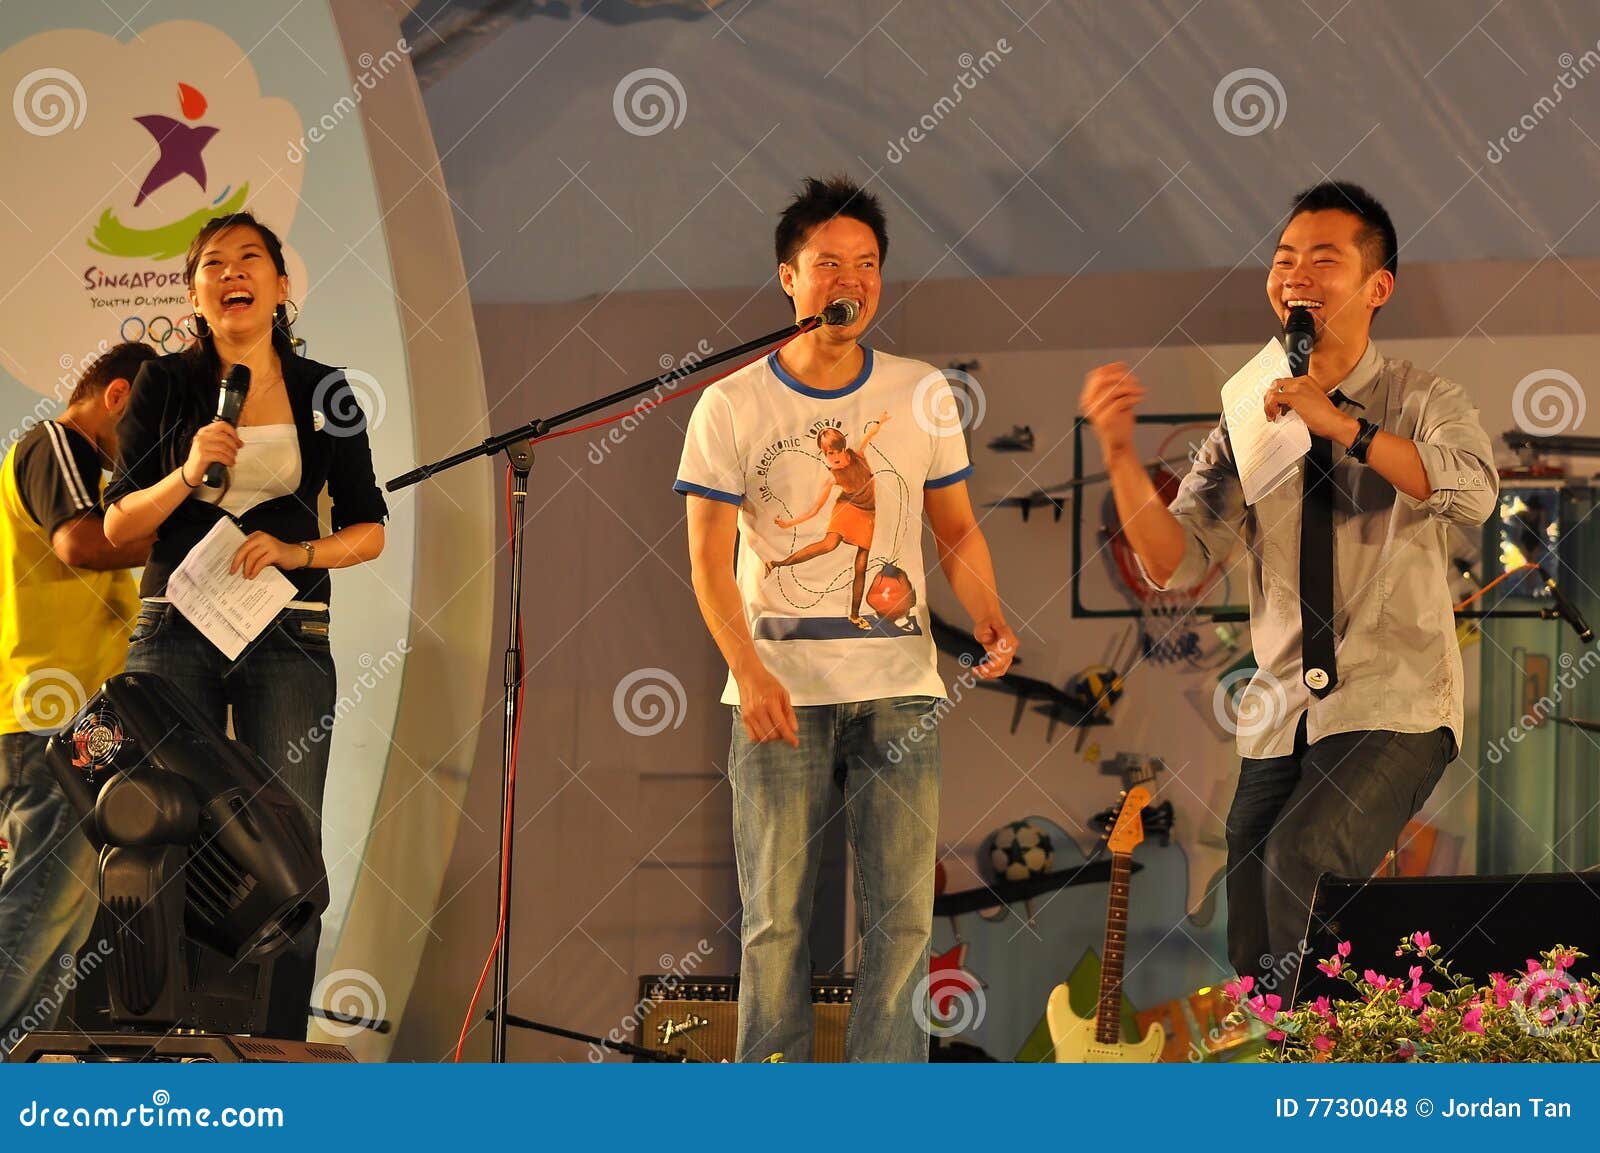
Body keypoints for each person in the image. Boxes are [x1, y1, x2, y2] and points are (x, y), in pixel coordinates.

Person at [1079, 181, 1497, 990]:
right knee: (1251, 924)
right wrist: (1121, 455)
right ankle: (1295, 1056)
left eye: (1323, 259)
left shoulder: (1422, 398)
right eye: (1283, 260)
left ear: (1377, 286)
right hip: (1280, 711)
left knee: (1306, 858)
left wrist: (1346, 426)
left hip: (1394, 700)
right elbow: (1174, 559)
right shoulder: (1249, 411)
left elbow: (1475, 493)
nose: (1296, 275)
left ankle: (1332, 1054)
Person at [675, 176, 1016, 1061]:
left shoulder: (920, 390)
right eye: (829, 263)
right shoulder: (733, 402)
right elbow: (707, 559)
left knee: (901, 919)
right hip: (779, 692)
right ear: (789, 278)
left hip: (899, 689)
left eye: (867, 264)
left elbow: (955, 528)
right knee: (775, 920)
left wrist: (987, 612)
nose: (851, 280)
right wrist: (747, 671)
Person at [102, 211, 388, 1040]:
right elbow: (118, 524)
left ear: (280, 284)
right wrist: (187, 472)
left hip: (287, 632)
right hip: (176, 624)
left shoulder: (326, 389)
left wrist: (299, 551)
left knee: (285, 842)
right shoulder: (164, 384)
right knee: (161, 826)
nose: (233, 273)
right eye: (214, 264)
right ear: (194, 295)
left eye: (250, 258)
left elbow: (369, 529)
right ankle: (164, 1038)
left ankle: (274, 1040)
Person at [1, 341, 157, 1055]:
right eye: (145, 421)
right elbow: (82, 546)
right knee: (41, 909)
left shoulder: (97, 481)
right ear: (116, 396)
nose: (147, 443)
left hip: (84, 720)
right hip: (50, 718)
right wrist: (184, 537)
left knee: (64, 925)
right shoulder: (55, 443)